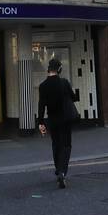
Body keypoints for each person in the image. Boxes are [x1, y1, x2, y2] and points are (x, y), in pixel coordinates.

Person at [36, 58, 79, 189]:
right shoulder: (64, 82)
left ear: (48, 69)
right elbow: (73, 98)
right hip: (65, 119)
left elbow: (41, 105)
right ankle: (62, 172)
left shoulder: (43, 86)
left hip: (52, 119)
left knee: (56, 144)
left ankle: (57, 168)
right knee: (66, 145)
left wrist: (40, 122)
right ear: (59, 69)